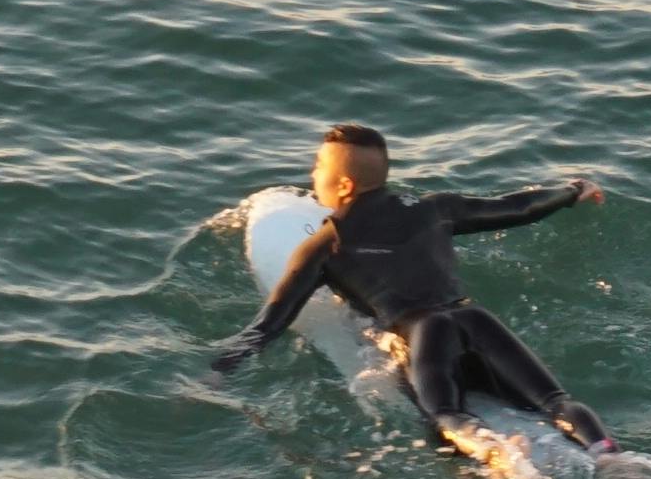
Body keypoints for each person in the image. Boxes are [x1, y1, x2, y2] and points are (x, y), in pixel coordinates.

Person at [212, 122, 615, 447]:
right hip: (473, 318)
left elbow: (268, 325)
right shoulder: (434, 208)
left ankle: (494, 453)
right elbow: (516, 207)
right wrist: (572, 190)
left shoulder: (325, 243)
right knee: (556, 402)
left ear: (346, 184)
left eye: (319, 166)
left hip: (421, 335)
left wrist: (216, 373)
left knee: (448, 417)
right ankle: (609, 457)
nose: (313, 174)